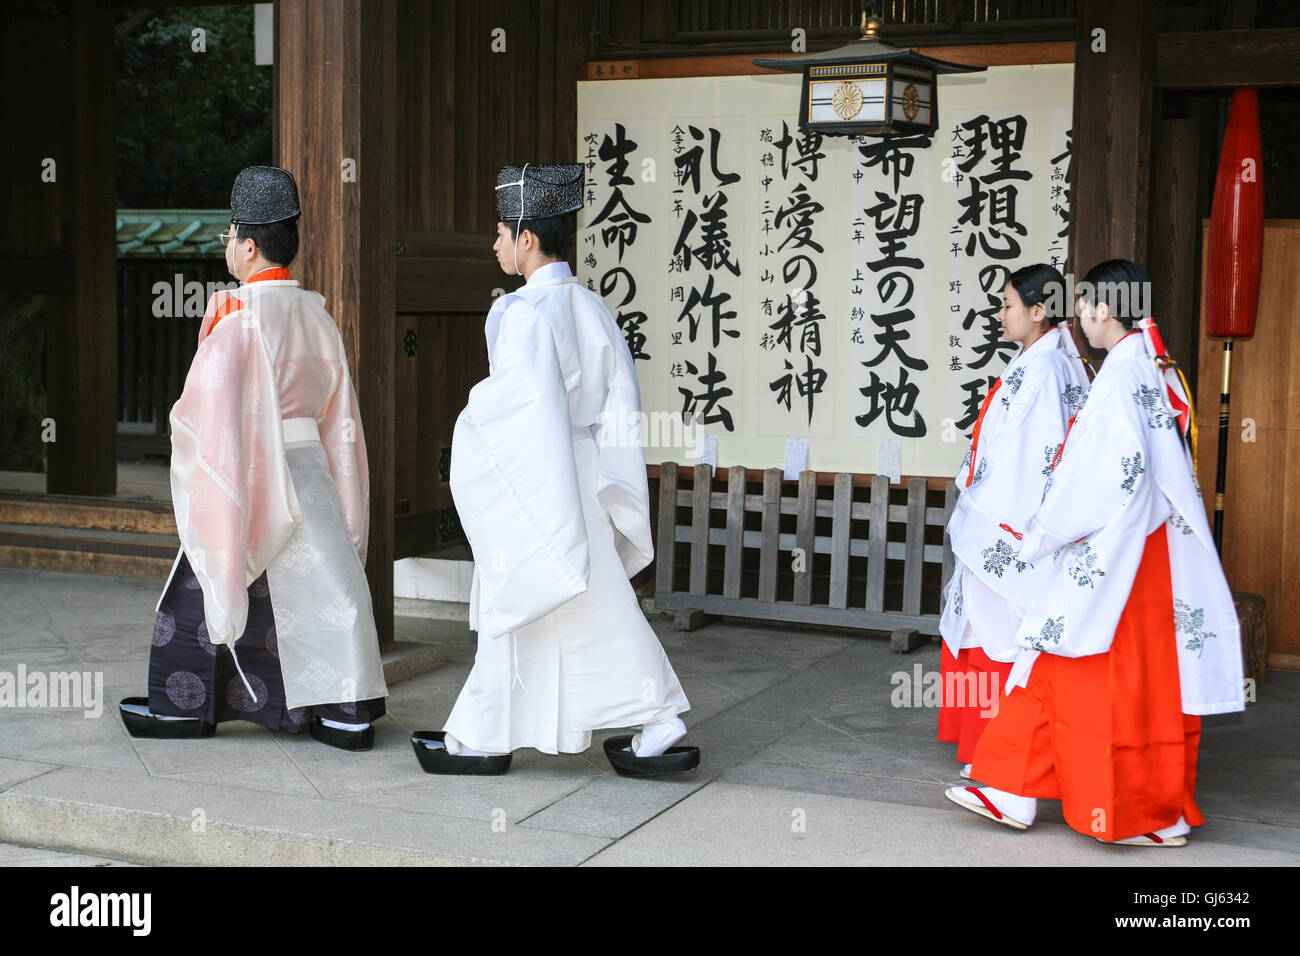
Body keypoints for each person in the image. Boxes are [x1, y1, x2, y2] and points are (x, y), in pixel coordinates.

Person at [410, 163, 697, 777]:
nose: (494, 245)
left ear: (526, 238)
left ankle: (490, 737)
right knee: (587, 601)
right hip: (584, 466)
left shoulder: (521, 312)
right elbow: (619, 400)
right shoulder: (591, 307)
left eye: (499, 233)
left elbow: (519, 405)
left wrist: (471, 423)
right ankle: (640, 718)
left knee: (523, 598)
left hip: (541, 472)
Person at [947, 259, 1244, 846]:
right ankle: (1014, 788)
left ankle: (1140, 813)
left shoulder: (1120, 380)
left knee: (1095, 675)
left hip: (1117, 554)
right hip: (1139, 551)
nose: (1078, 318)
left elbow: (1098, 478)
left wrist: (1044, 531)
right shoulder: (1144, 367)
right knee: (1066, 664)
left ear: (1101, 308)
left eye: (1082, 305)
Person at [119, 165, 388, 751]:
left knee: (213, 573)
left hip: (250, 468)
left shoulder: (236, 314)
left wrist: (209, 339)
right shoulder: (317, 313)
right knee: (327, 588)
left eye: (229, 239)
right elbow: (341, 418)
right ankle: (345, 710)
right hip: (311, 467)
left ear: (247, 242)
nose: (229, 251)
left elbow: (207, 411)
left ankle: (185, 708)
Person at [938, 264, 1090, 778]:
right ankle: (994, 749)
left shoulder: (1045, 369)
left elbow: (1033, 457)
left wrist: (993, 516)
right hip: (1009, 513)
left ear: (1038, 311)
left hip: (1011, 520)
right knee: (994, 628)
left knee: (999, 630)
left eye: (1007, 305)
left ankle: (999, 752)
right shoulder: (1047, 361)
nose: (1000, 315)